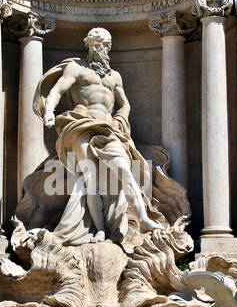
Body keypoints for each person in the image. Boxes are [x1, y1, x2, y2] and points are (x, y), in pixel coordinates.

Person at [35, 27, 164, 245]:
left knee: (124, 169)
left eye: (106, 45)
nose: (103, 48)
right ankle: (100, 229)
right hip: (81, 124)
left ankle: (143, 217)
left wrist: (121, 120)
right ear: (89, 45)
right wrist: (49, 112)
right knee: (90, 178)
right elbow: (57, 91)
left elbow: (124, 103)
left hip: (108, 127)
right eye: (98, 44)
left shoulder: (114, 76)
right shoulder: (76, 68)